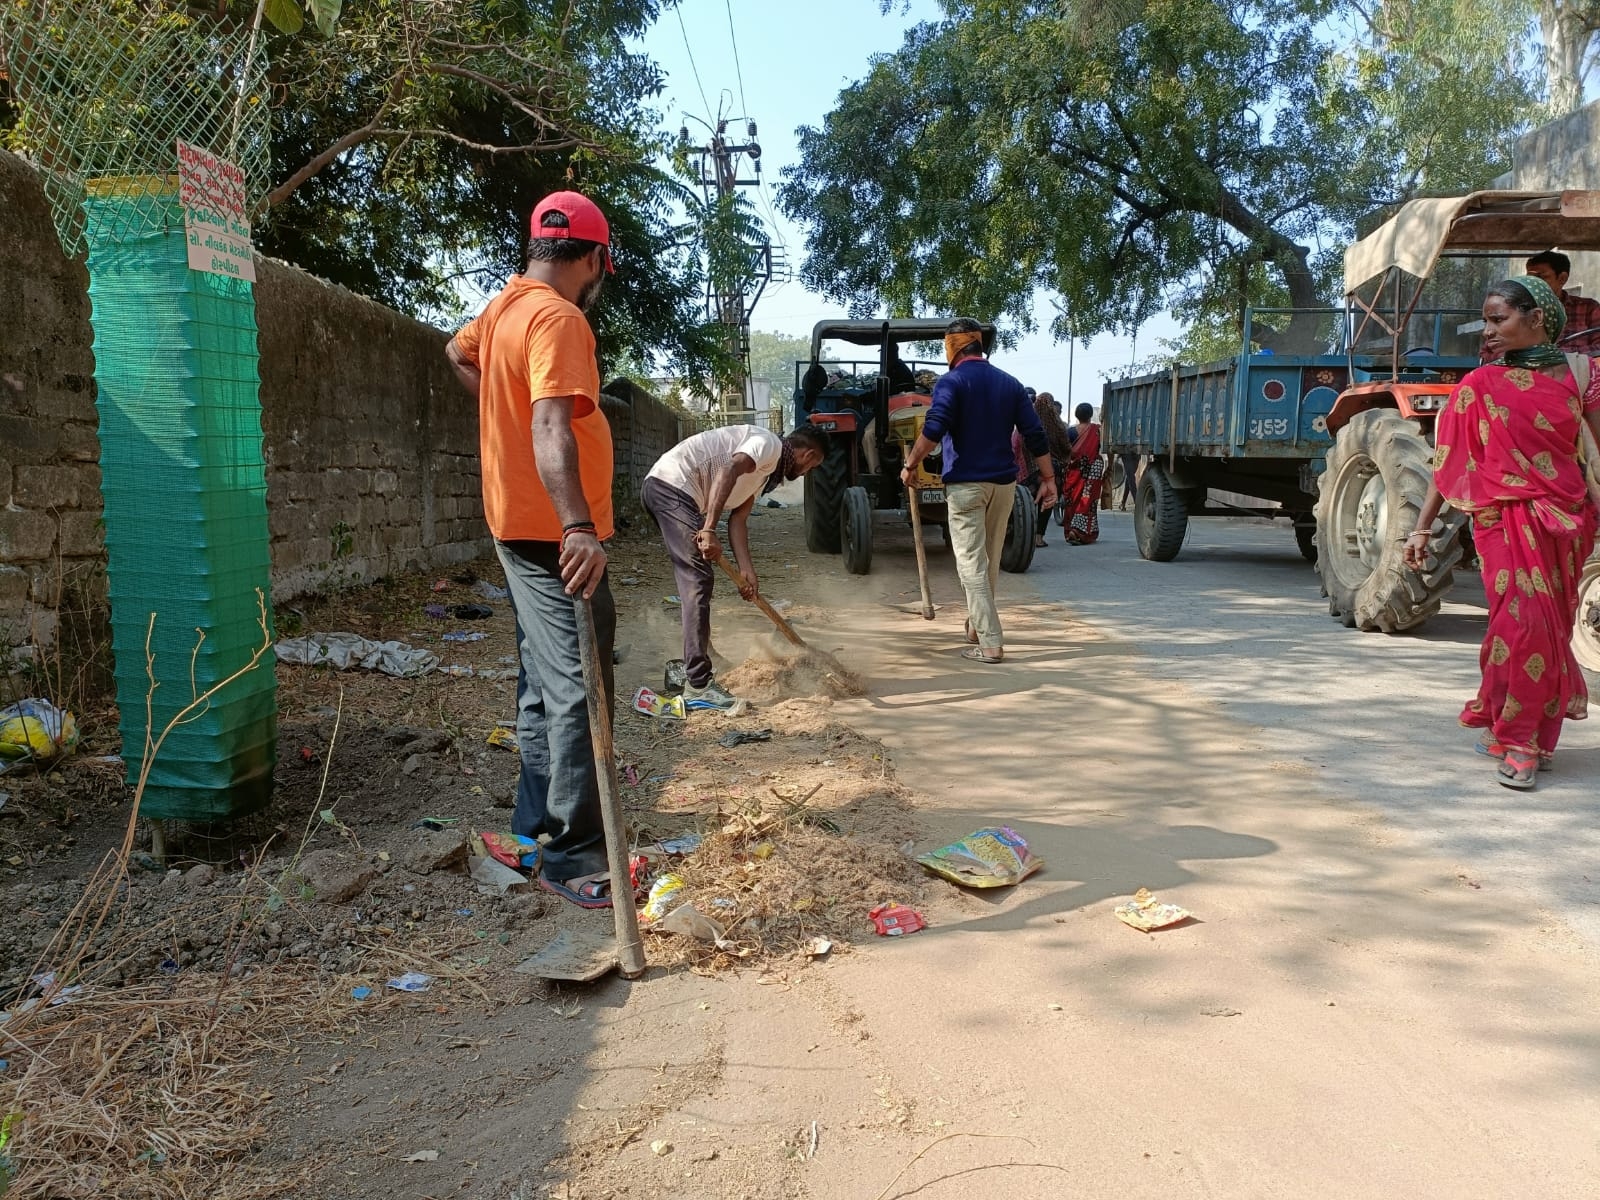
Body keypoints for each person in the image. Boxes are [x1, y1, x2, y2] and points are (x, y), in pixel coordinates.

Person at [444, 190, 619, 909]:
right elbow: (551, 430)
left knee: (540, 679)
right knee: (578, 681)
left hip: (513, 522)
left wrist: (500, 406)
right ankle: (574, 854)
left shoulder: (503, 307)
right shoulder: (557, 318)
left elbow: (453, 350)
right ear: (595, 258)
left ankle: (532, 824)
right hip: (552, 533)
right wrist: (578, 525)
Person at [1406, 275, 1600, 790]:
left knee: (1548, 629)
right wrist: (1420, 531)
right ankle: (1520, 741)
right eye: (1487, 320)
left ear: (1535, 319)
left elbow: (1597, 451)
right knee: (1523, 626)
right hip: (1502, 520)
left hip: (1566, 519)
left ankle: (1529, 728)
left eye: (1498, 319)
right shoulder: (1478, 386)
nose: (1487, 331)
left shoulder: (1583, 375)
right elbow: (1447, 466)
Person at [901, 318, 1056, 663]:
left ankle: (990, 642)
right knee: (988, 560)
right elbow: (1036, 435)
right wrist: (1049, 479)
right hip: (1004, 485)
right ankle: (975, 625)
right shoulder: (1010, 384)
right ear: (979, 345)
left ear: (952, 347)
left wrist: (911, 464)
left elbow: (935, 426)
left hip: (966, 486)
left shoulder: (950, 383)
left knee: (971, 564)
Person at [642, 424, 827, 710]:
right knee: (697, 578)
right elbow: (727, 469)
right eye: (813, 466)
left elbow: (738, 520)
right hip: (672, 486)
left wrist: (746, 570)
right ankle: (699, 685)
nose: (808, 473)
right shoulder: (769, 445)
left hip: (670, 490)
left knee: (696, 577)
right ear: (808, 454)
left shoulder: (764, 473)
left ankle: (702, 660)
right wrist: (709, 529)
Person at [1525, 250, 1600, 354]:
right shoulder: (1519, 309)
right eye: (1529, 278)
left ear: (1562, 278)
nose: (1533, 283)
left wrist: (1557, 356)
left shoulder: (1589, 308)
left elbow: (1598, 349)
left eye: (1541, 277)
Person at [1060, 402, 1106, 544]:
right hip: (1094, 468)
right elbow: (1106, 448)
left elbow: (1065, 452)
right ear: (1091, 415)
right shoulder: (1098, 431)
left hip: (1075, 469)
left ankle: (1073, 530)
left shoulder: (1070, 432)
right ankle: (1081, 530)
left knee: (1074, 500)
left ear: (1076, 415)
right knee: (1088, 500)